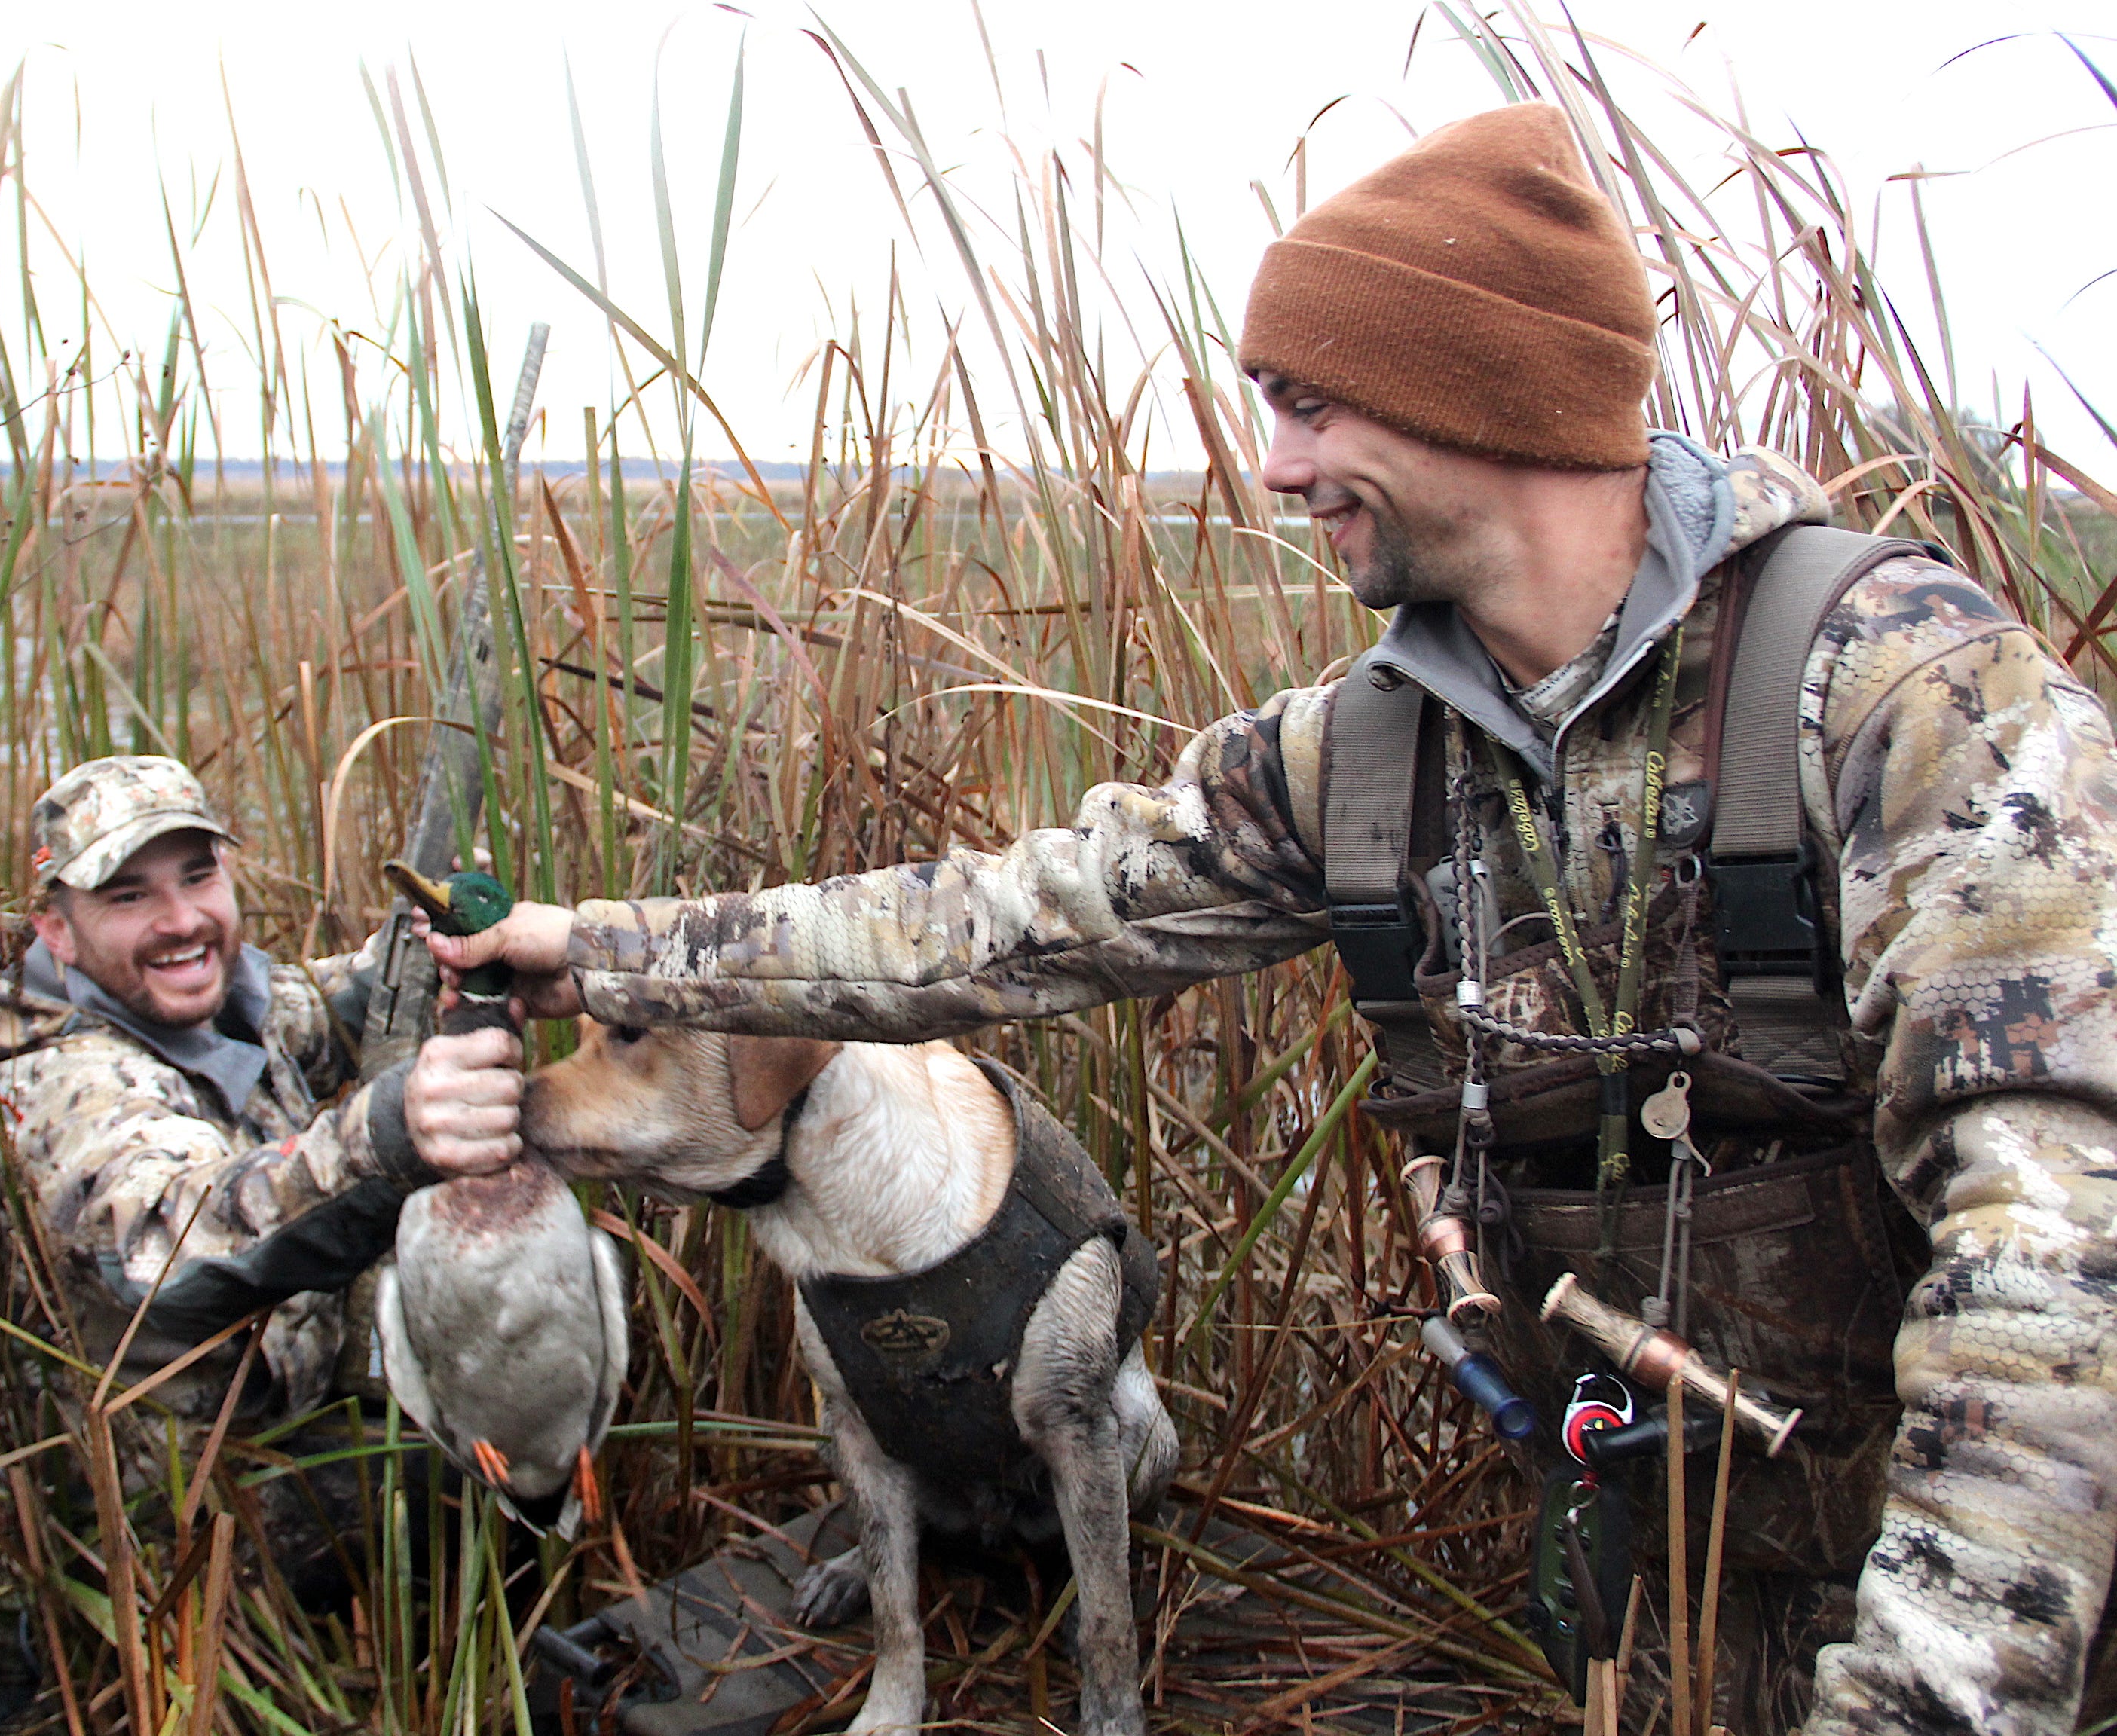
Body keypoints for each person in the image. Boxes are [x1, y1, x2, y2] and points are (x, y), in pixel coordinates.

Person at [429, 106, 2117, 1735]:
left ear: (1476, 390)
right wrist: (603, 950)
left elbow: (2056, 1263)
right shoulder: (1361, 761)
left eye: (1310, 405)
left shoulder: (1898, 695)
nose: (1276, 464)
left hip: (1982, 1630)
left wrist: (1921, 1698)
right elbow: (995, 926)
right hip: (1653, 1599)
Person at [0, 754, 525, 1427]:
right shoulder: (61, 1085)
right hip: (206, 1463)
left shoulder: (198, 999)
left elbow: (324, 1013)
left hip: (299, 1372)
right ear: (56, 931)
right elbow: (171, 1250)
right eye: (128, 897)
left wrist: (435, 942)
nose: (182, 920)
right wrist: (386, 1136)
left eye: (197, 876)